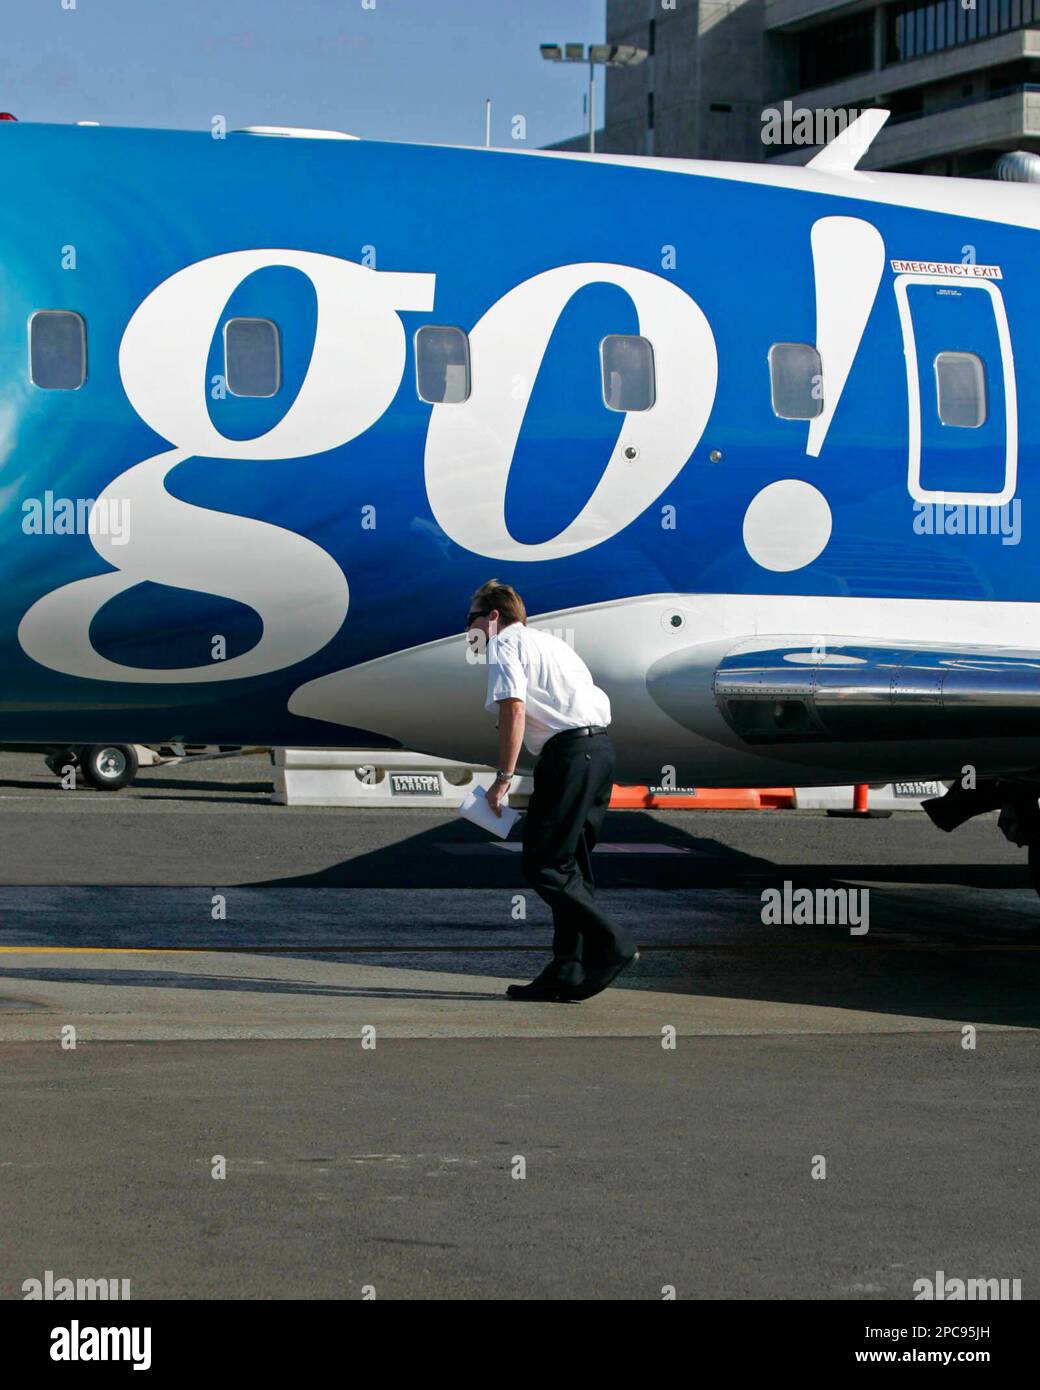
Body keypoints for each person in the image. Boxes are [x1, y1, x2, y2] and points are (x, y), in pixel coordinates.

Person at [465, 579, 639, 1002]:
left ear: (492, 617)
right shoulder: (553, 645)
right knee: (571, 866)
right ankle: (567, 966)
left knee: (543, 864)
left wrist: (503, 778)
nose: (467, 632)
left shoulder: (505, 643)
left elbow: (515, 708)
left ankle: (613, 943)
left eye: (470, 621)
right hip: (598, 752)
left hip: (569, 757)